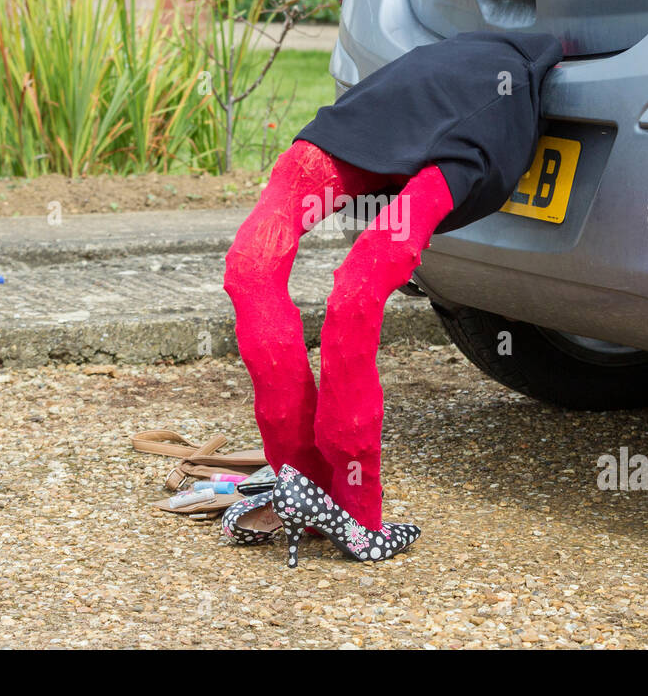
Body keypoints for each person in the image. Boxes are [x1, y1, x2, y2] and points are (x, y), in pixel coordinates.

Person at [221, 30, 564, 567]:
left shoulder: (459, 63)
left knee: (254, 268)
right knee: (351, 287)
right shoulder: (504, 92)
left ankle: (301, 484)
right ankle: (352, 514)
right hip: (426, 126)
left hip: (393, 117)